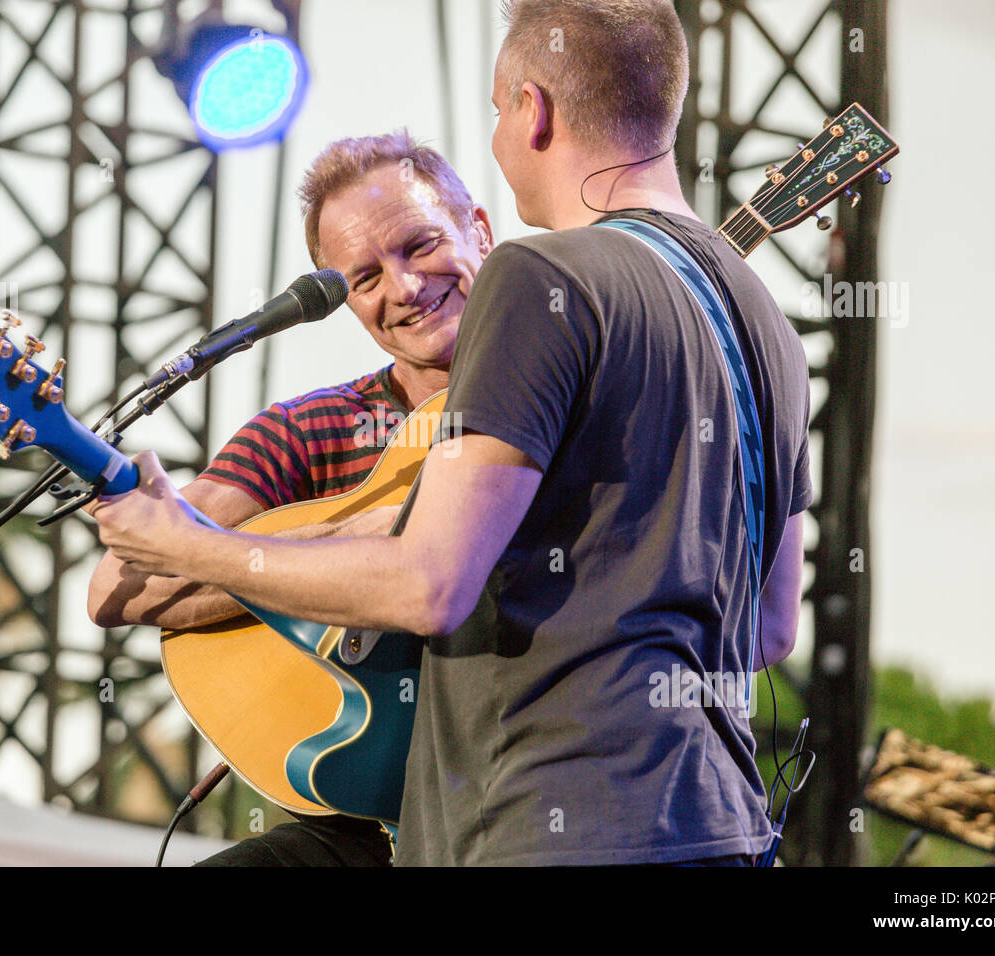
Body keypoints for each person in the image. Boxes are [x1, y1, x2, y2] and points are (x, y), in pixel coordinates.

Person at [91, 0, 811, 866]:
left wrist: (194, 548)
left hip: (539, 823)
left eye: (499, 112)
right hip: (720, 826)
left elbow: (429, 586)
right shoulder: (767, 320)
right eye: (362, 277)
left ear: (533, 109)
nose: (501, 139)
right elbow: (769, 629)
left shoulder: (535, 273)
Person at [86, 130, 494, 865]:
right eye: (364, 278)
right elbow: (120, 587)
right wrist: (358, 543)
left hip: (528, 798)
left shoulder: (579, 395)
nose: (402, 288)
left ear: (482, 231)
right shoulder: (308, 428)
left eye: (421, 244)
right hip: (361, 809)